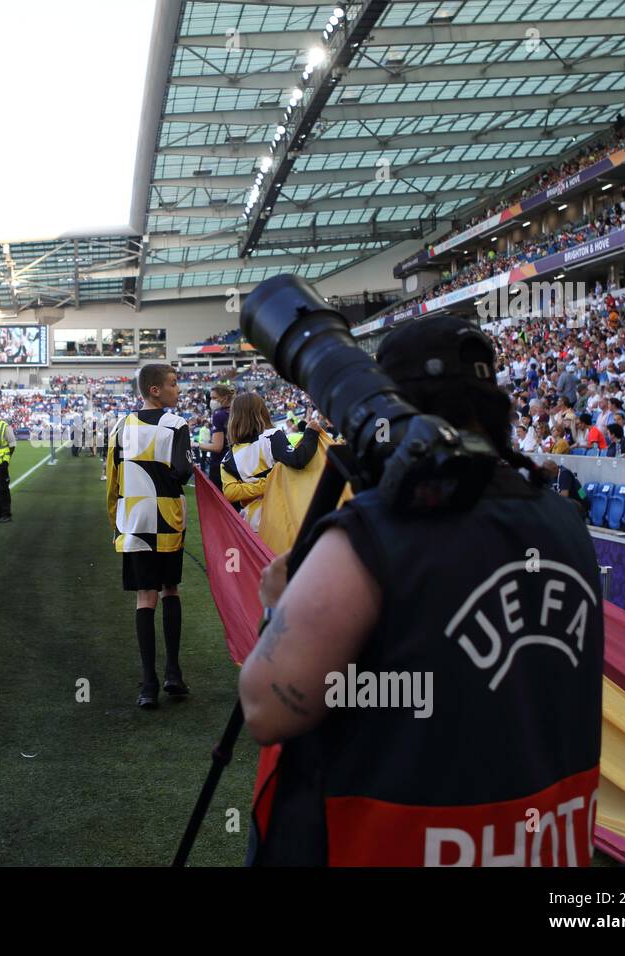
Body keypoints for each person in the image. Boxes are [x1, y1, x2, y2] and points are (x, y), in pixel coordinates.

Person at [239, 315, 604, 866]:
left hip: (399, 839)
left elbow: (267, 708)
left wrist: (277, 604)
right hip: (544, 844)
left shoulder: (373, 533)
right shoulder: (563, 520)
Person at [106, 363, 193, 709]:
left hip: (133, 522)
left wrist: (117, 520)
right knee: (170, 589)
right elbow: (183, 472)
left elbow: (112, 479)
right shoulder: (177, 424)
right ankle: (173, 672)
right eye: (173, 384)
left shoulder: (120, 426)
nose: (177, 390)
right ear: (155, 390)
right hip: (168, 519)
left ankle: (148, 684)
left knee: (145, 597)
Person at [219, 394, 321, 532]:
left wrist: (259, 484)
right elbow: (298, 459)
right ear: (262, 412)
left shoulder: (228, 458)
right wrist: (311, 433)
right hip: (281, 518)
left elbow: (230, 493)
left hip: (251, 523)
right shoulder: (271, 436)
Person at [195, 384, 234, 490]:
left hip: (220, 464)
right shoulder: (236, 411)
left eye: (214, 398)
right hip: (235, 462)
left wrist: (195, 444)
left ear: (225, 398)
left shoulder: (218, 415)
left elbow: (217, 447)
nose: (211, 401)